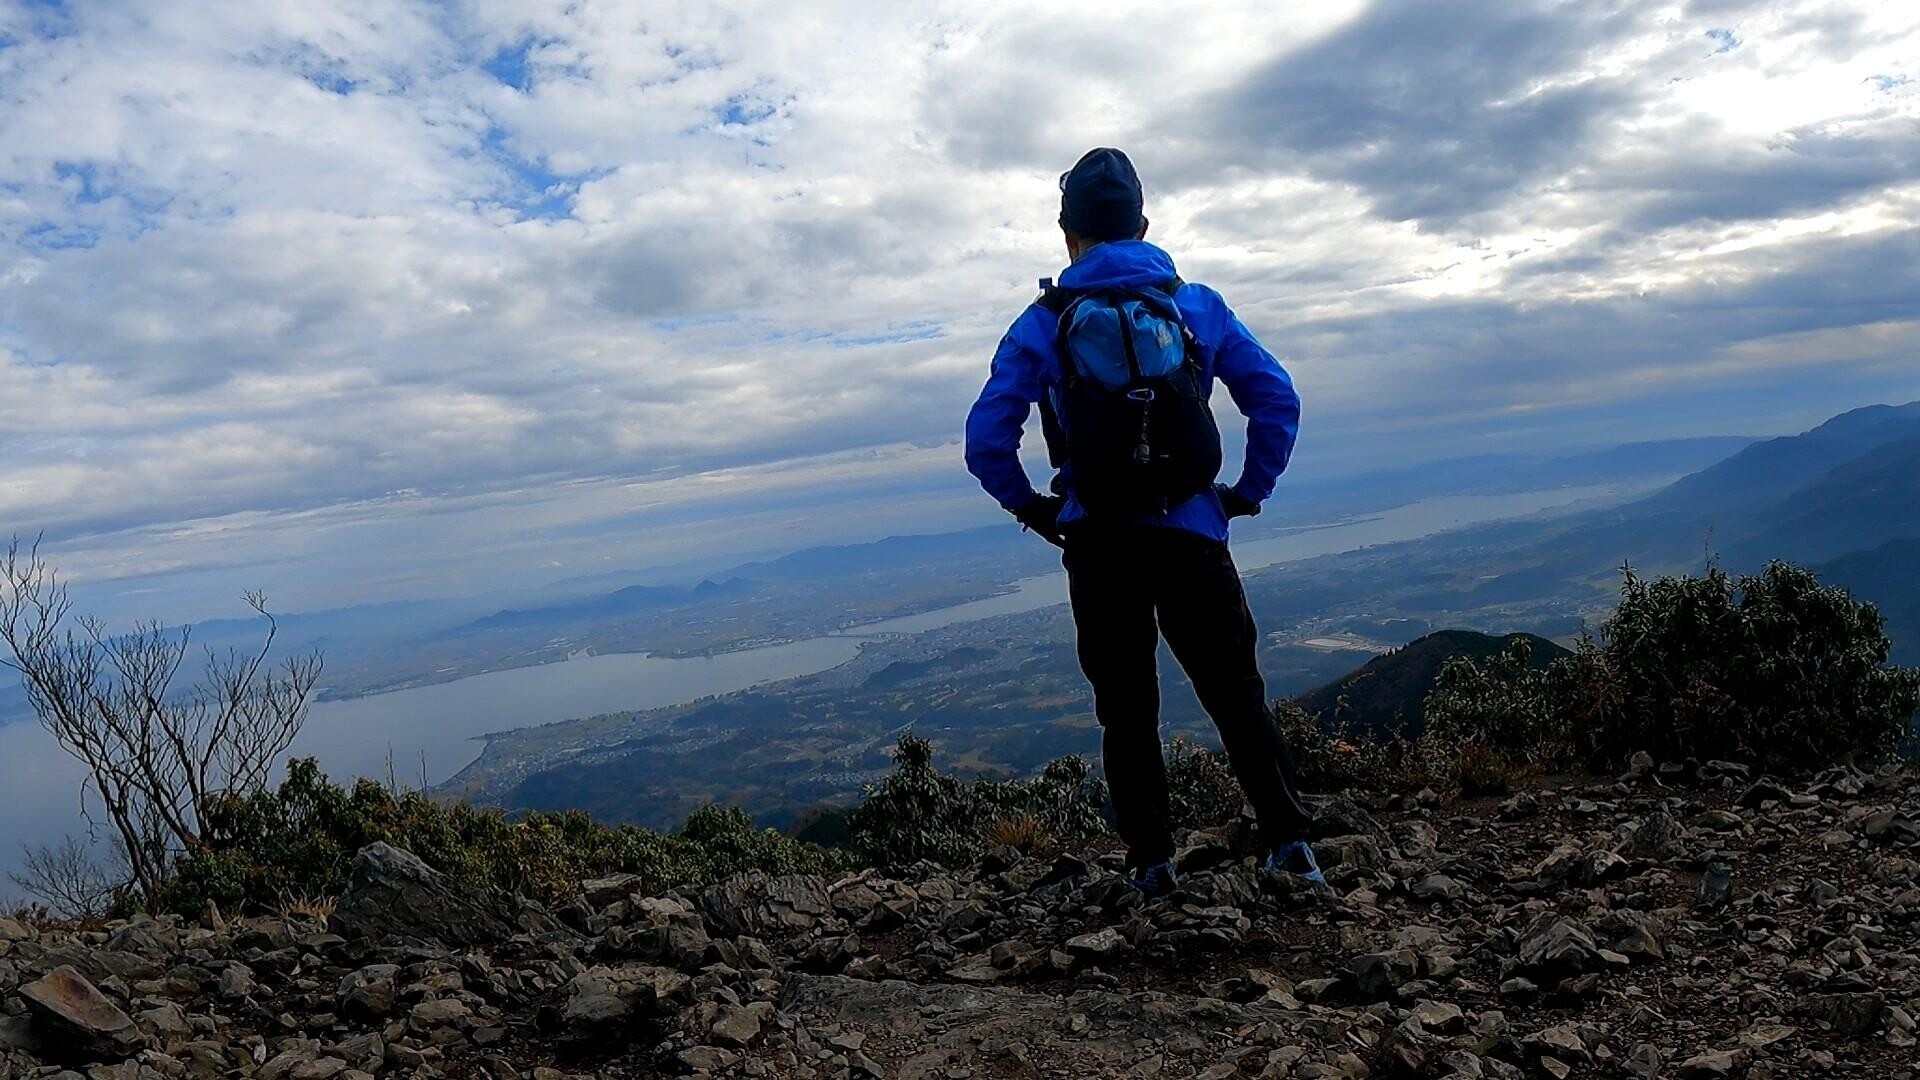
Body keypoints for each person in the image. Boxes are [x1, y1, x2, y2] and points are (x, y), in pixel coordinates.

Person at [964, 147, 1323, 898]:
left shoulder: (1043, 321)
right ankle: (1291, 844)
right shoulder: (1196, 306)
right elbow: (1276, 401)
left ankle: (1152, 866)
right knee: (1236, 693)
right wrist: (1242, 493)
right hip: (1193, 532)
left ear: (1070, 237)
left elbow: (986, 440)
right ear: (1144, 224)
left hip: (1099, 542)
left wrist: (1036, 507)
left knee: (1127, 711)